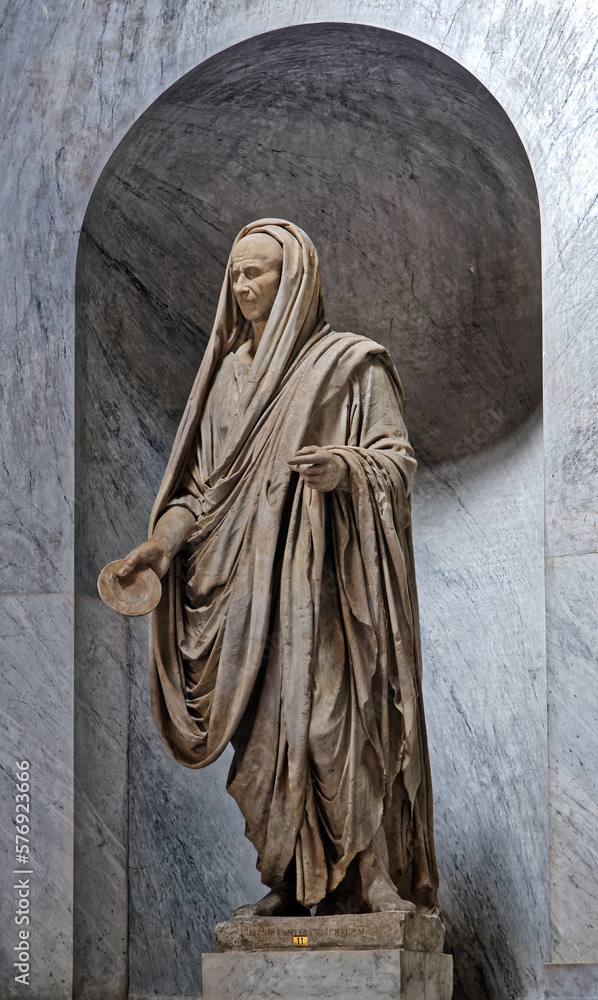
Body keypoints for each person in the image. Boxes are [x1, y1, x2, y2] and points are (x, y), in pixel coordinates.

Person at [119, 219, 439, 916]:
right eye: (235, 274)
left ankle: (369, 880)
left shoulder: (351, 366)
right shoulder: (229, 377)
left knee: (333, 723)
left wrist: (342, 470)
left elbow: (397, 462)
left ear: (293, 279)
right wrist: (162, 545)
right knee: (266, 750)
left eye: (255, 272)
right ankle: (291, 885)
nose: (241, 286)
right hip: (244, 602)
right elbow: (203, 494)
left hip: (324, 592)